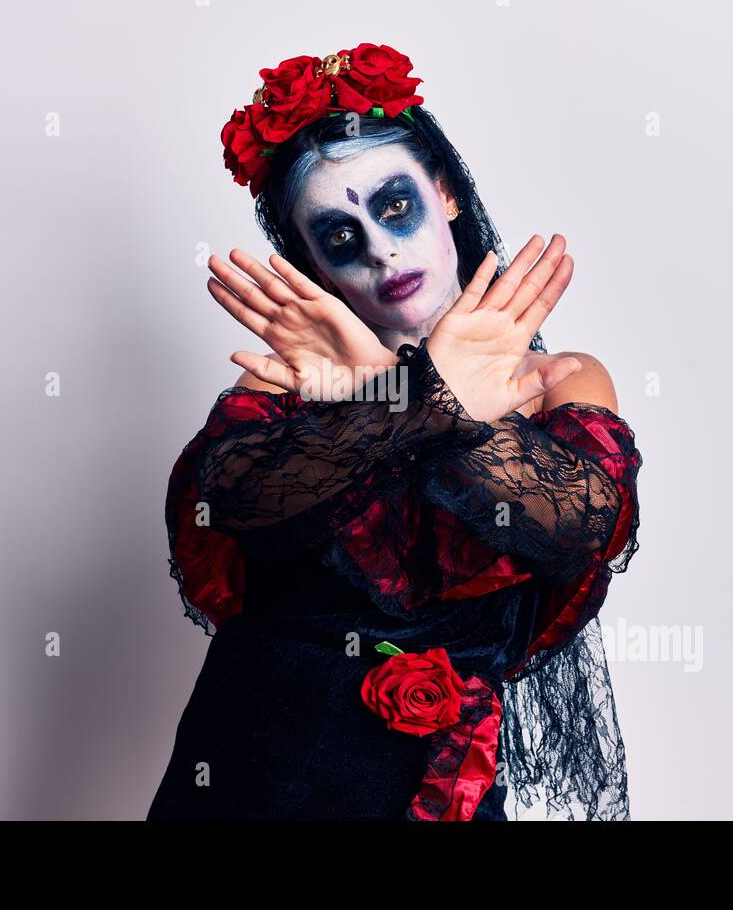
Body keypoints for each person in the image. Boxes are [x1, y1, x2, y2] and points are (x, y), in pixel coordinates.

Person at [147, 44, 642, 820]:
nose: (379, 247)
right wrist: (416, 398)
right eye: (339, 238)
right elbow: (236, 506)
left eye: (395, 206)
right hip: (249, 769)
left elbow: (580, 527)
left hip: (438, 782)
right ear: (312, 264)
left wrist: (408, 399)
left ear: (444, 192)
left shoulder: (560, 381)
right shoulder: (284, 379)